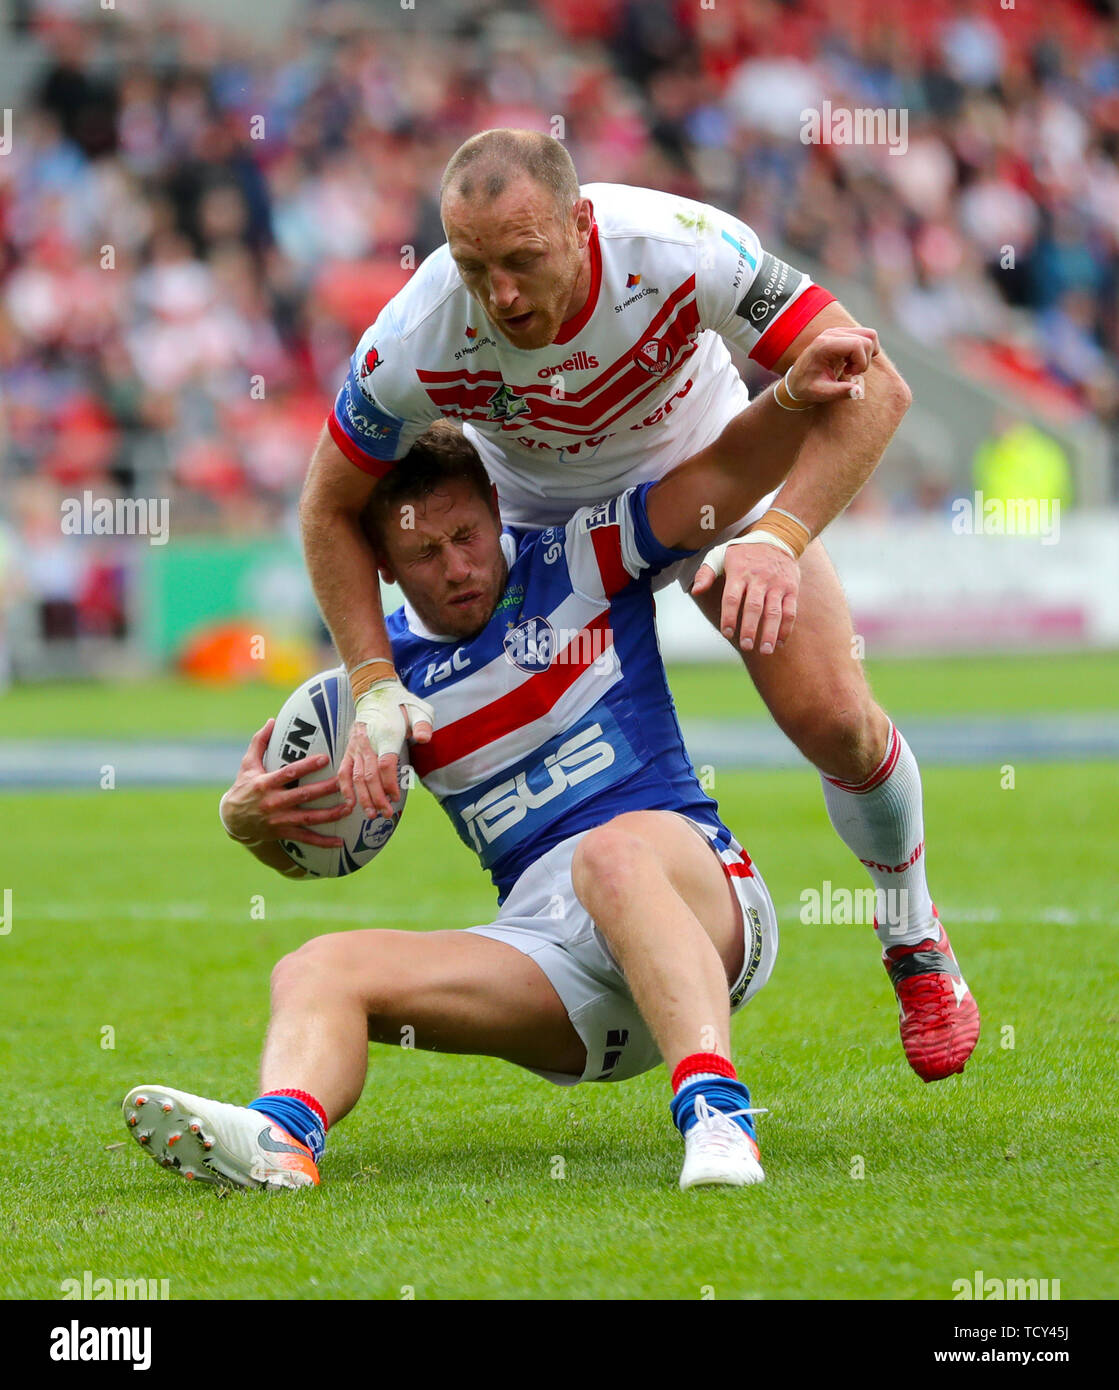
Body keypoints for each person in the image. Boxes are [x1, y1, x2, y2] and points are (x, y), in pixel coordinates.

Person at [122, 326, 894, 1193]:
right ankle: (280, 1140)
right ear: (381, 565)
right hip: (561, 971)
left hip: (702, 908)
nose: (457, 567)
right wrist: (247, 823)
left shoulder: (583, 558)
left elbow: (718, 477)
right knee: (313, 967)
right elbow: (309, 847)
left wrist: (787, 397)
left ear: (495, 507)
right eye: (424, 552)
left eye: (466, 534)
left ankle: (718, 1119)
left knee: (610, 855)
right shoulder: (380, 690)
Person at [300, 128, 979, 1084]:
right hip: (535, 530)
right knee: (495, 748)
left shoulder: (680, 247)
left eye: (522, 260)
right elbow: (326, 505)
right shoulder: (413, 337)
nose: (500, 295)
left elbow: (873, 386)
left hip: (704, 480)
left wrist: (777, 537)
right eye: (473, 267)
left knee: (833, 718)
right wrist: (373, 684)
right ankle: (576, 944)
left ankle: (910, 930)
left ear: (580, 225)